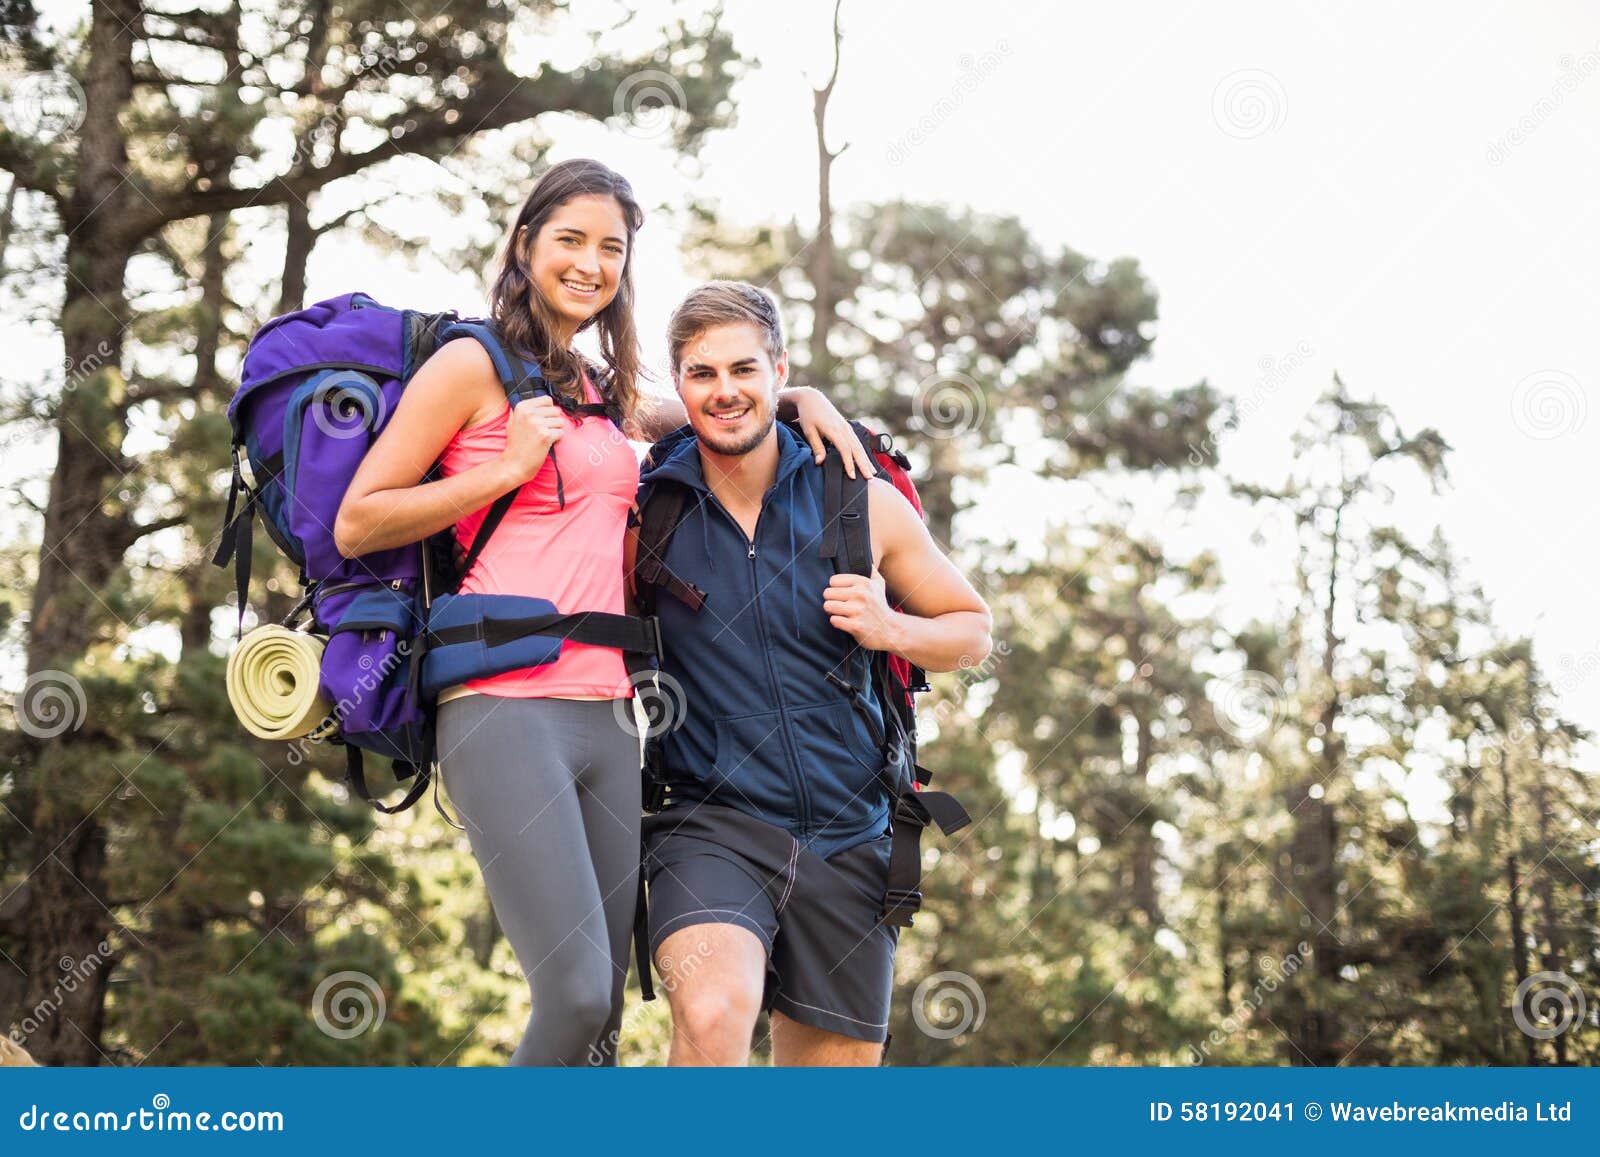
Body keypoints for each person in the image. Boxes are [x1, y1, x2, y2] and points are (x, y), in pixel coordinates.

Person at [331, 161, 874, 1066]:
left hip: (610, 714)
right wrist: (503, 470)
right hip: (505, 705)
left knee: (609, 1019)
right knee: (576, 993)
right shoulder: (471, 364)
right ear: (525, 245)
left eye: (611, 247)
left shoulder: (591, 386)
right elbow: (358, 519)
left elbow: (696, 413)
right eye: (569, 239)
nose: (590, 263)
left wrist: (791, 396)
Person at [628, 281, 993, 1065]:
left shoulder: (860, 501)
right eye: (701, 373)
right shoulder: (647, 512)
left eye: (745, 369)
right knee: (713, 1006)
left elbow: (973, 631)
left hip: (852, 834)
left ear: (778, 365)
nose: (725, 390)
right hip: (711, 823)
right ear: (679, 384)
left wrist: (891, 626)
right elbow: (589, 392)